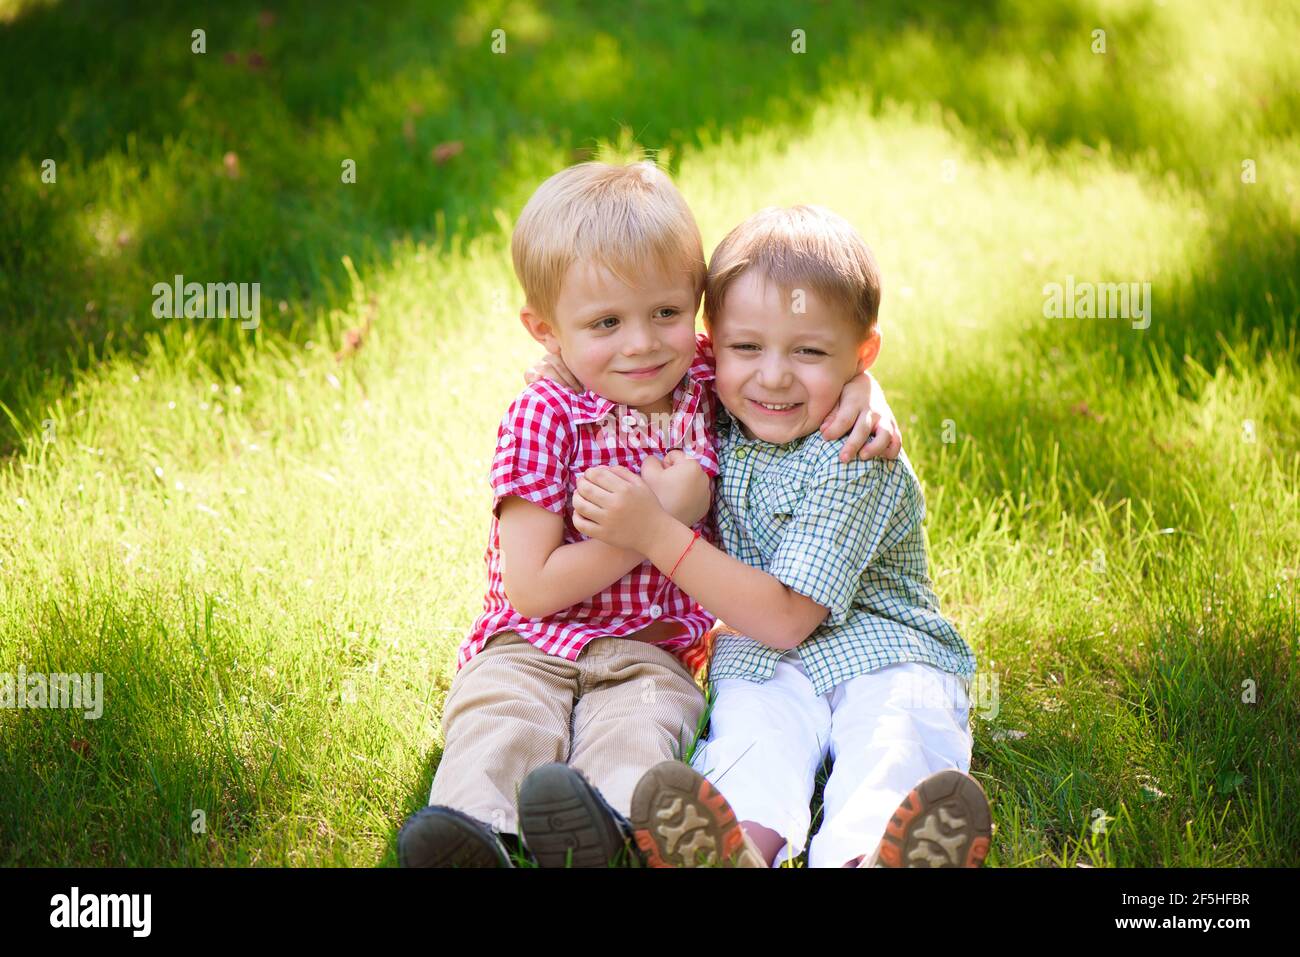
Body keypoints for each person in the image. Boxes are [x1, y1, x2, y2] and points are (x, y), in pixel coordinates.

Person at [397, 166, 902, 867]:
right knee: (502, 718)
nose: (641, 343)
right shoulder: (544, 416)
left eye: (666, 313)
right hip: (529, 641)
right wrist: (654, 524)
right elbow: (533, 587)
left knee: (640, 731)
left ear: (695, 308)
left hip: (653, 650)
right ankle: (474, 834)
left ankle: (599, 833)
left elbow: (789, 357)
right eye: (606, 323)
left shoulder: (704, 382)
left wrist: (863, 387)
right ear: (546, 331)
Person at [568, 205, 992, 868]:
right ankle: (734, 847)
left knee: (896, 736)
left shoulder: (854, 455)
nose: (772, 375)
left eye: (810, 351)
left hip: (885, 650)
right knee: (752, 739)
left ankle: (874, 855)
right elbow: (628, 354)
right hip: (763, 665)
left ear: (862, 353)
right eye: (746, 347)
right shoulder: (710, 396)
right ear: (712, 341)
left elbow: (786, 617)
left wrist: (656, 532)